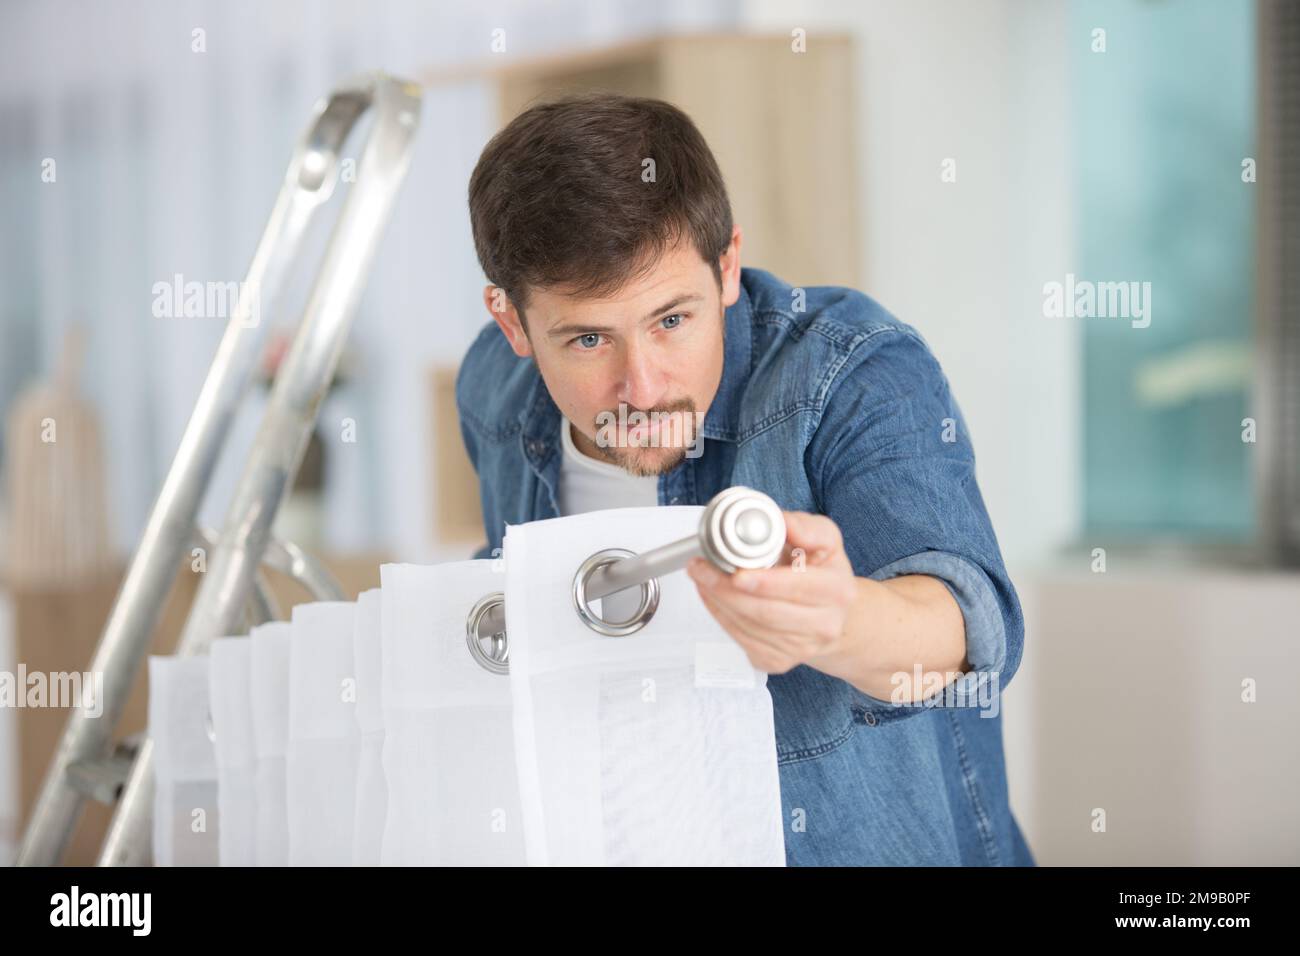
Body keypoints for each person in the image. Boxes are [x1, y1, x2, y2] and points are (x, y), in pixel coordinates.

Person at [456, 91, 1033, 866]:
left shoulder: (850, 371)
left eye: (672, 320)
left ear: (726, 265)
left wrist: (841, 621)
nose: (645, 387)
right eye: (589, 339)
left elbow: (966, 630)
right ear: (512, 323)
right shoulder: (492, 394)